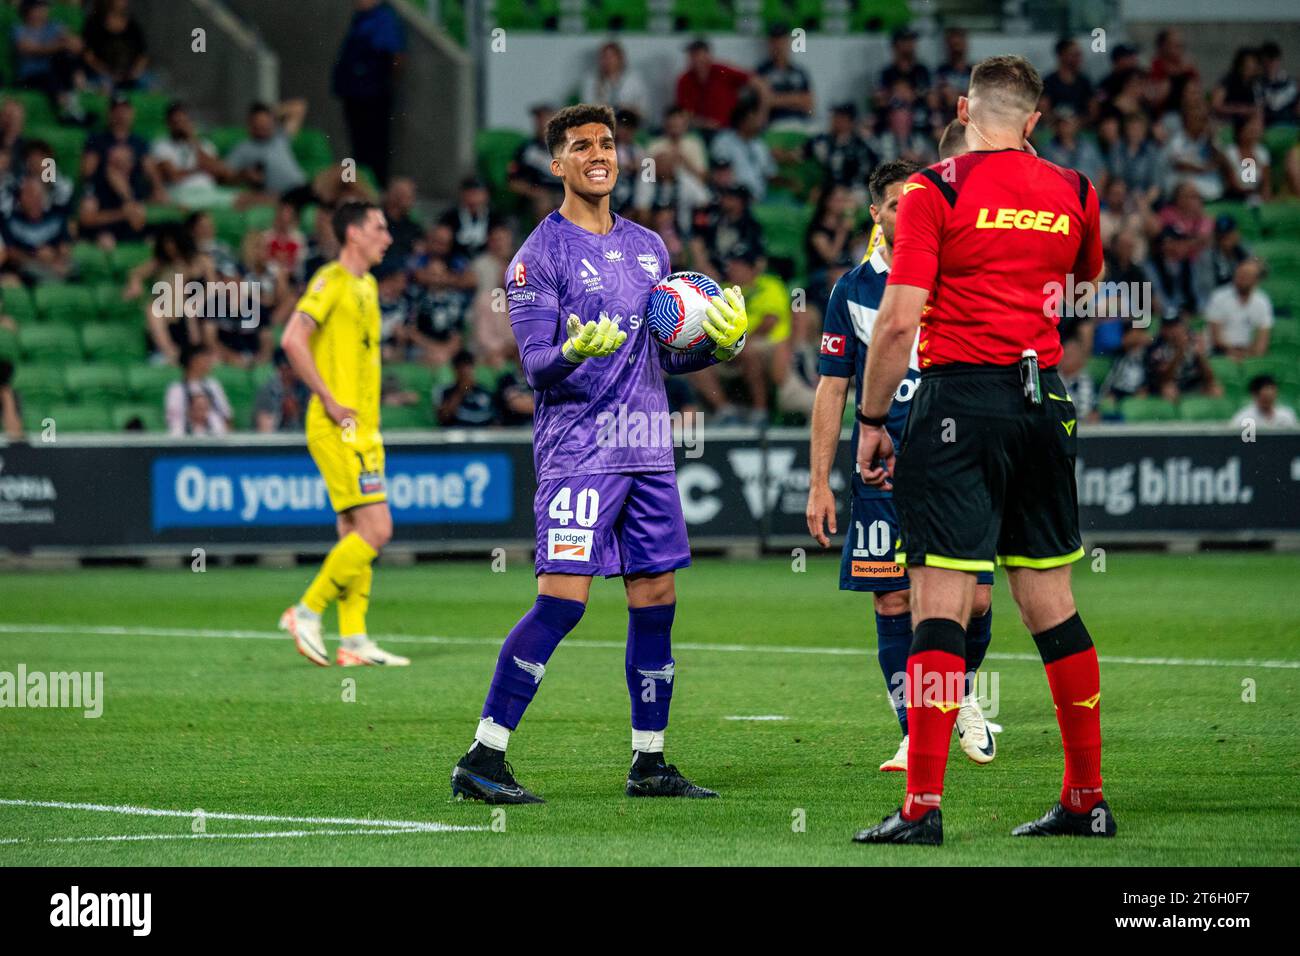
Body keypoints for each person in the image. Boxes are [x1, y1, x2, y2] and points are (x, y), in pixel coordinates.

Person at [449, 104, 750, 804]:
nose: (598, 155)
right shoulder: (537, 257)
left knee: (657, 600)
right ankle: (483, 757)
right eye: (581, 145)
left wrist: (718, 348)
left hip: (646, 449)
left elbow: (659, 358)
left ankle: (650, 762)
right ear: (557, 164)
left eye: (607, 144)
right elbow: (534, 366)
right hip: (580, 450)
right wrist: (570, 352)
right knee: (563, 604)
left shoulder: (650, 247)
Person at [852, 55, 1115, 845]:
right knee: (1053, 605)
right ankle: (1085, 799)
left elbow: (898, 320)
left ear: (964, 108)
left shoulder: (937, 189)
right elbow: (1086, 289)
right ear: (1034, 121)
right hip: (1042, 401)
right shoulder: (1076, 190)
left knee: (938, 604)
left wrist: (872, 420)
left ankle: (922, 809)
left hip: (959, 401)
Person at [806, 158, 998, 776]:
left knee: (976, 600)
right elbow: (832, 389)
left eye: (914, 201)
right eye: (893, 204)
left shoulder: (956, 273)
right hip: (882, 468)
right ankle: (917, 731)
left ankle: (958, 694)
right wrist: (818, 482)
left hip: (957, 458)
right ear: (876, 213)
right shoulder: (850, 290)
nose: (904, 212)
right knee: (892, 601)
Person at [277, 201, 410, 668]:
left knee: (354, 531)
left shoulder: (368, 286)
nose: (387, 237)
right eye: (379, 227)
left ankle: (353, 639)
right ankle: (306, 611)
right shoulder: (330, 280)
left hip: (366, 430)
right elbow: (292, 339)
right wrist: (329, 399)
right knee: (379, 528)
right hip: (337, 426)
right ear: (353, 233)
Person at [331, 0, 404, 187]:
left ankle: (377, 189)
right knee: (359, 146)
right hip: (354, 94)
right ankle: (362, 186)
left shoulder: (383, 18)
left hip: (373, 94)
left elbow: (396, 54)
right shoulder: (359, 18)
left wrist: (385, 84)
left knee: (375, 147)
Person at [225, 100, 309, 204]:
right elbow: (225, 173)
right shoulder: (243, 148)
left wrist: (273, 113)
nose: (263, 126)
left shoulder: (281, 136)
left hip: (302, 187)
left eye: (266, 122)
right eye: (258, 123)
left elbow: (299, 107)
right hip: (277, 195)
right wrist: (244, 174)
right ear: (250, 124)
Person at [674, 39, 764, 133]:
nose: (693, 59)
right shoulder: (684, 80)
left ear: (707, 55)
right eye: (691, 55)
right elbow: (683, 114)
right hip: (700, 131)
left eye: (697, 54)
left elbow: (760, 84)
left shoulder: (722, 72)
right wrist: (704, 124)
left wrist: (761, 115)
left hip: (731, 130)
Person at [1205, 259, 1273, 359]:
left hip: (1246, 352)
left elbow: (1262, 340)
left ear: (1256, 280)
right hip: (1220, 352)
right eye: (1239, 273)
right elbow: (1216, 338)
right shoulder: (1219, 297)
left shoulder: (1262, 302)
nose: (1240, 277)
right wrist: (1234, 353)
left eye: (1246, 275)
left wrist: (1250, 354)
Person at [81, 0, 150, 91]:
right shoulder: (93, 24)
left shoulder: (133, 25)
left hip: (130, 74)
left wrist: (135, 72)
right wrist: (108, 73)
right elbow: (88, 56)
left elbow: (143, 54)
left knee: (151, 84)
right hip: (101, 74)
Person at [164, 345, 232, 436]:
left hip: (217, 438)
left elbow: (226, 416)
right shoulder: (176, 390)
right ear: (193, 361)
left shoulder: (213, 386)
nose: (209, 363)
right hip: (185, 439)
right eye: (205, 359)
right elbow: (173, 420)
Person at [756, 24, 813, 127]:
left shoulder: (799, 72)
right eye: (775, 42)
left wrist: (776, 99)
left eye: (782, 41)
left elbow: (809, 104)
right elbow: (761, 102)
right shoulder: (762, 72)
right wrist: (795, 99)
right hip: (773, 126)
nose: (778, 46)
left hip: (799, 125)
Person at [579, 41, 648, 121]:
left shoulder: (634, 79)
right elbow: (586, 109)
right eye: (603, 57)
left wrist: (626, 108)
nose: (607, 61)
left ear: (620, 58)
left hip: (629, 124)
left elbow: (644, 111)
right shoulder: (591, 80)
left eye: (611, 57)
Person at [254, 348, 310, 433]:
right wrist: (283, 415)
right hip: (275, 442)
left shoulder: (306, 388)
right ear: (282, 368)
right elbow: (265, 431)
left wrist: (297, 413)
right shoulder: (267, 391)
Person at [436, 349, 495, 427]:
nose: (465, 371)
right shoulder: (446, 391)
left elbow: (494, 418)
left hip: (483, 435)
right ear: (455, 369)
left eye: (468, 366)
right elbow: (443, 417)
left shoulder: (485, 391)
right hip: (457, 435)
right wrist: (461, 391)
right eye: (461, 367)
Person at [1043, 38, 1094, 117]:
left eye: (1079, 55)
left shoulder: (1085, 82)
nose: (1079, 59)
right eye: (1074, 55)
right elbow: (1043, 110)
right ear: (1061, 55)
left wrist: (1078, 123)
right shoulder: (1049, 82)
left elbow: (1093, 111)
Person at [1232, 374, 1297, 429]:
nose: (1269, 399)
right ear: (1255, 395)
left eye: (1272, 393)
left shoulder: (1286, 415)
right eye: (1265, 397)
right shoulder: (1244, 418)